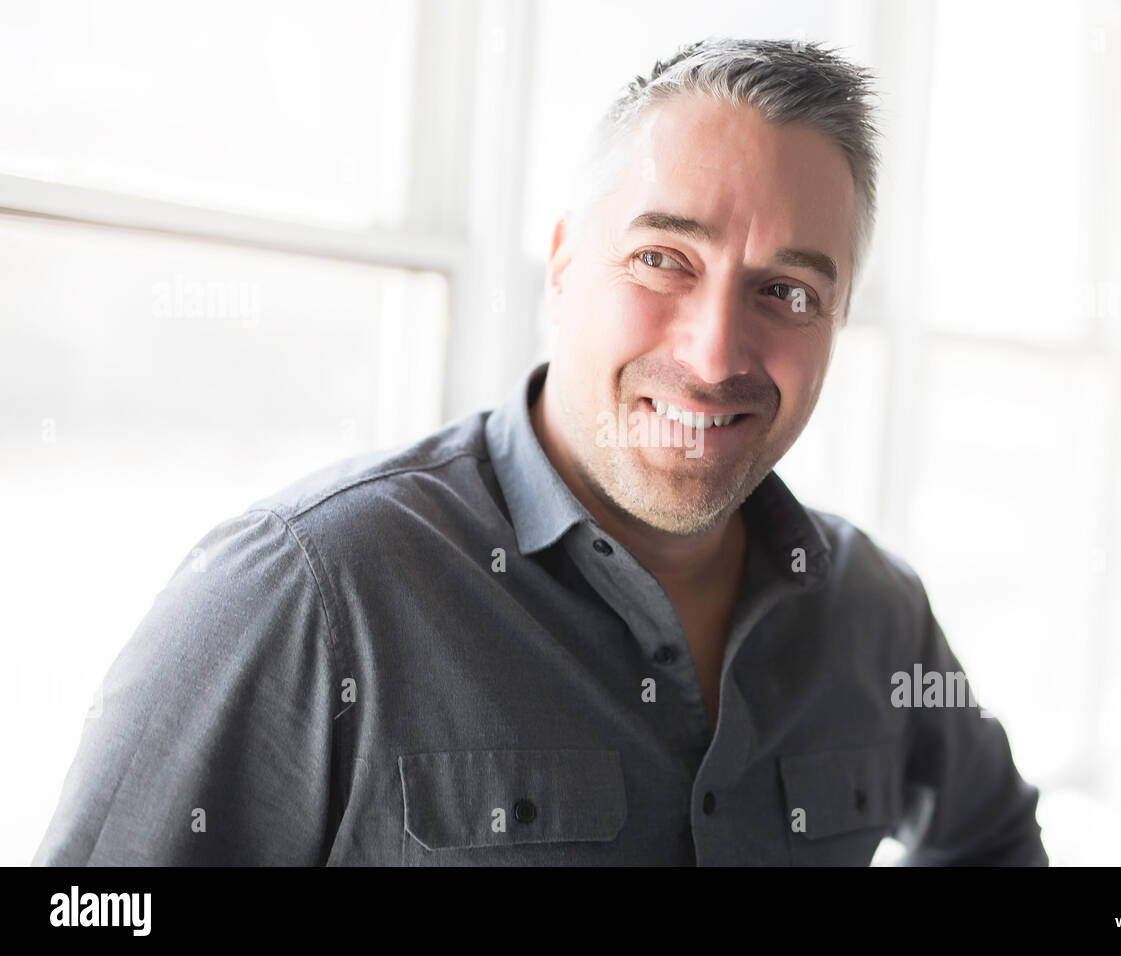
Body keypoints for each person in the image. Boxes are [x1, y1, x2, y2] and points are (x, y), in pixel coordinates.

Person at [34, 37, 1047, 866]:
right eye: (662, 259)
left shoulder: (873, 610)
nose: (712, 354)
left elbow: (992, 839)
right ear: (561, 269)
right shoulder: (306, 591)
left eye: (786, 291)